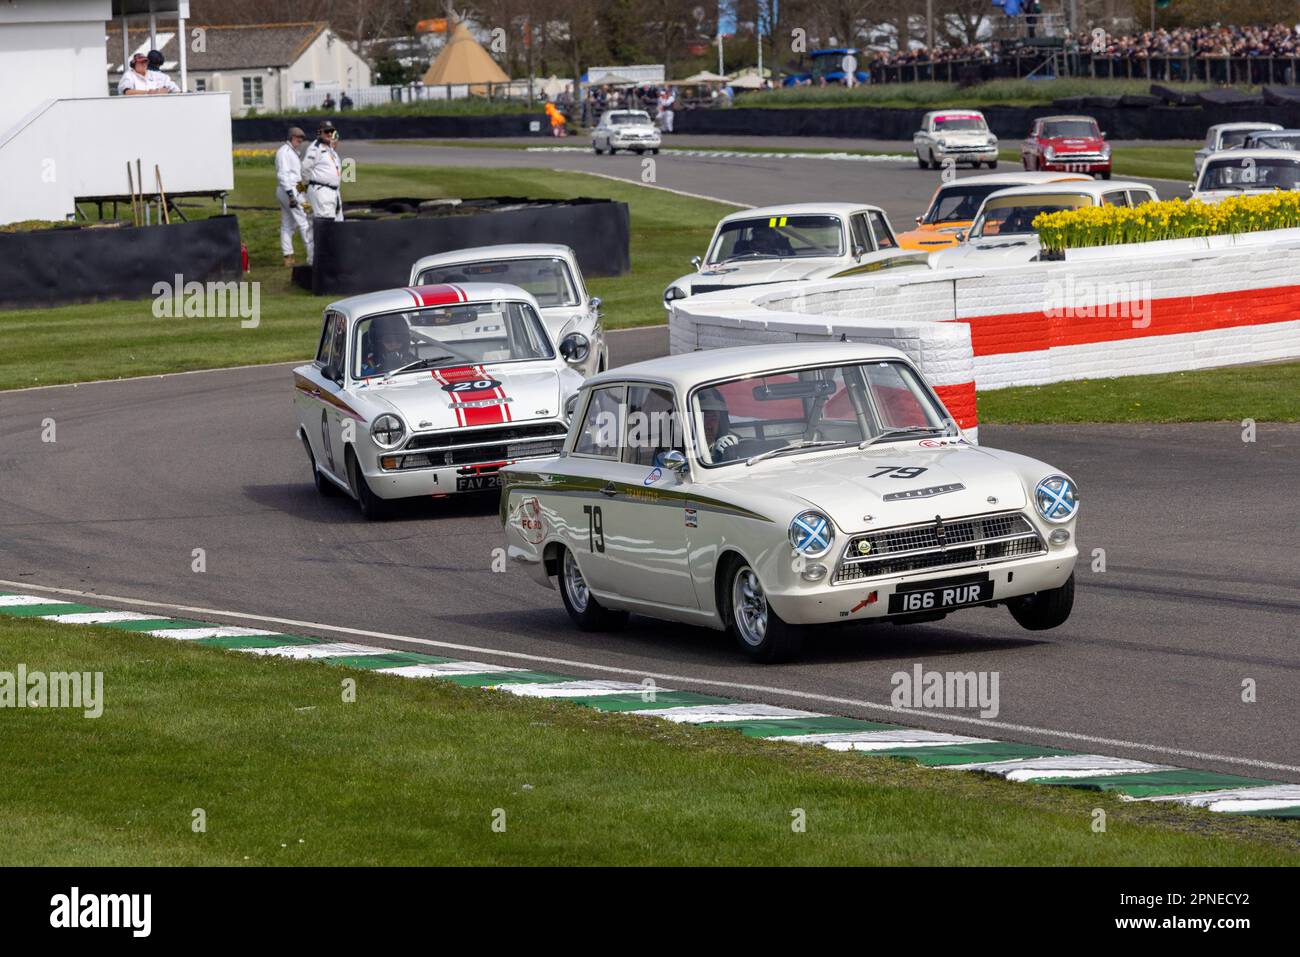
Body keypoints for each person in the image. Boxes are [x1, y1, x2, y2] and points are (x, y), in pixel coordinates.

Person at [301, 120, 343, 255]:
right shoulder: (315, 148)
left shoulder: (330, 149)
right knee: (323, 227)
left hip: (334, 192)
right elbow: (305, 170)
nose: (330, 134)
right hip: (321, 191)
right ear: (319, 132)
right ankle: (317, 260)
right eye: (326, 131)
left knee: (336, 226)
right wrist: (307, 191)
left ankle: (331, 258)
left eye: (332, 131)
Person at [275, 127, 311, 267]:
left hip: (290, 190)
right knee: (303, 222)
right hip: (287, 191)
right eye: (298, 138)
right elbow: (283, 175)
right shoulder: (284, 152)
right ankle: (311, 253)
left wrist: (303, 195)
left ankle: (288, 256)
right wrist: (291, 196)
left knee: (287, 224)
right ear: (291, 137)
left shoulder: (292, 152)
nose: (300, 140)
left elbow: (297, 178)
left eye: (301, 138)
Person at [697, 389, 741, 460]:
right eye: (704, 418)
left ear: (721, 422)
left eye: (713, 419)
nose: (709, 425)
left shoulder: (733, 448)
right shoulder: (685, 451)